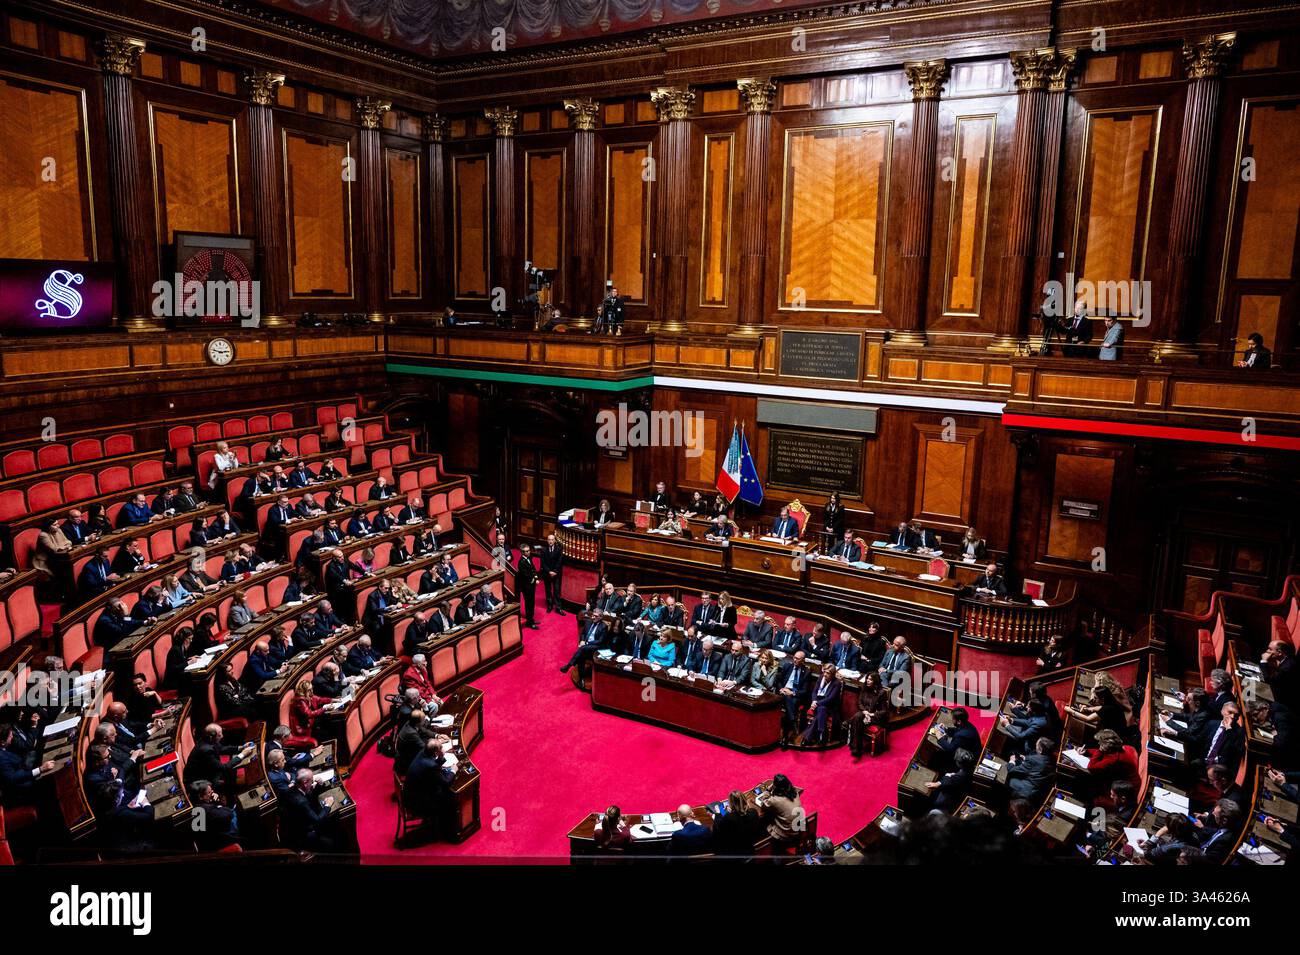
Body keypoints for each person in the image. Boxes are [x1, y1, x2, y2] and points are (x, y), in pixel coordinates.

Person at [279, 768, 339, 852]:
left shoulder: (292, 789)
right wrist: (328, 805)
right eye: (312, 780)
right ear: (305, 783)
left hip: (292, 824)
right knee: (333, 843)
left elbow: (308, 797)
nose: (313, 782)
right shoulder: (301, 802)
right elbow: (317, 821)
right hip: (298, 836)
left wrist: (318, 785)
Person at [848, 670, 890, 758]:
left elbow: (884, 711)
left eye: (870, 679)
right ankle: (856, 748)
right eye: (867, 679)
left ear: (875, 681)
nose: (867, 681)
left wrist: (872, 714)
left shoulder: (881, 693)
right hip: (864, 713)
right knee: (858, 717)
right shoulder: (864, 688)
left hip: (875, 716)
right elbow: (859, 702)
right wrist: (865, 711)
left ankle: (855, 746)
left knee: (856, 718)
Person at [711, 791, 763, 860]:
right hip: (750, 842)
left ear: (731, 804)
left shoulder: (729, 818)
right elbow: (742, 815)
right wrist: (732, 812)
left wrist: (718, 814)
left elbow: (718, 827)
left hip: (737, 850)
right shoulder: (753, 812)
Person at [1006, 737, 1057, 804]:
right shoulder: (1054, 760)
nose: (1036, 748)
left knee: (1010, 779)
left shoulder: (1033, 759)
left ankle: (1007, 798)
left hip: (1028, 790)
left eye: (1036, 746)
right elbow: (1038, 765)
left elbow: (1011, 770)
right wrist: (1025, 760)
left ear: (1040, 750)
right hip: (1041, 790)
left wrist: (1011, 761)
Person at [800, 662, 841, 744]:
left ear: (833, 674)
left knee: (821, 709)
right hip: (818, 703)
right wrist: (814, 701)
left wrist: (817, 704)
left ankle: (807, 737)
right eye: (824, 672)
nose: (825, 674)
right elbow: (814, 691)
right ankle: (821, 734)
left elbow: (830, 698)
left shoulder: (837, 683)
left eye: (828, 673)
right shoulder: (821, 677)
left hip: (830, 706)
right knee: (821, 709)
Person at [759, 775, 804, 849]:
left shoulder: (774, 800)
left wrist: (767, 790)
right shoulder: (795, 792)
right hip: (798, 829)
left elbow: (763, 804)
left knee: (763, 822)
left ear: (775, 787)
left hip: (786, 835)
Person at [926, 748, 975, 814]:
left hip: (952, 799)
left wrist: (947, 776)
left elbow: (942, 784)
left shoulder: (960, 775)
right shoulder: (969, 768)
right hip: (962, 788)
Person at [285, 679, 330, 750]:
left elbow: (319, 699)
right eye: (309, 690)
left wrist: (333, 700)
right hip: (303, 728)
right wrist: (324, 708)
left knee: (326, 721)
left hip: (309, 723)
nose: (311, 691)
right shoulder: (300, 700)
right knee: (324, 729)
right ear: (304, 691)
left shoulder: (308, 695)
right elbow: (309, 714)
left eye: (312, 689)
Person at [516, 543, 539, 629]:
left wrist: (536, 577)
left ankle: (531, 619)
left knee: (532, 602)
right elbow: (526, 575)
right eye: (526, 551)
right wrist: (534, 578)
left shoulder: (529, 558)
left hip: (531, 585)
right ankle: (529, 622)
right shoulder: (521, 562)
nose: (528, 552)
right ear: (522, 553)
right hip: (526, 586)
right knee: (528, 603)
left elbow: (533, 569)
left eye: (528, 551)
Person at [540, 533, 564, 614]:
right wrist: (549, 571)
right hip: (547, 574)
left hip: (556, 574)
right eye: (549, 540)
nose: (550, 541)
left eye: (552, 540)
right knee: (548, 591)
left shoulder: (559, 549)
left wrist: (555, 571)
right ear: (547, 540)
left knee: (557, 591)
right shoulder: (543, 550)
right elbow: (543, 563)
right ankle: (549, 606)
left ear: (554, 541)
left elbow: (559, 562)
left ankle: (558, 608)